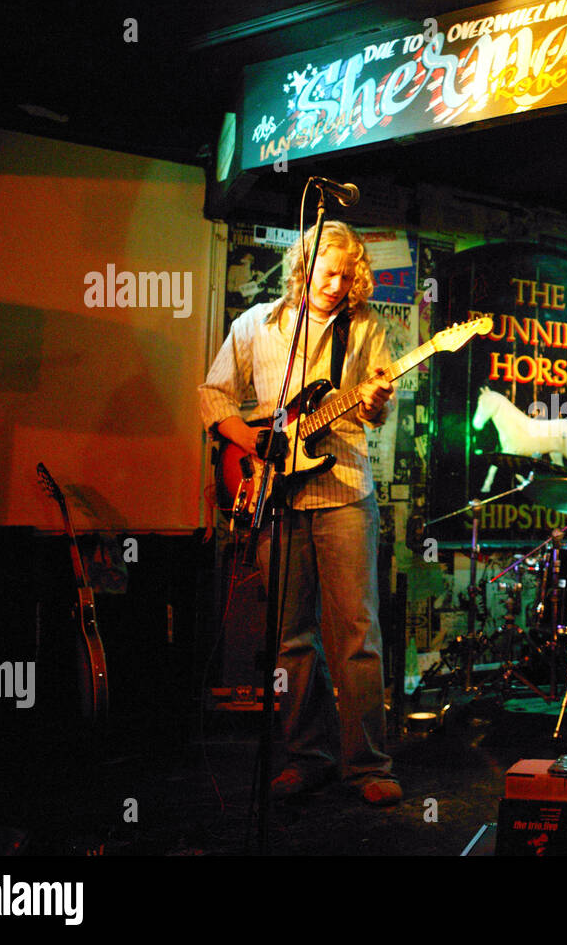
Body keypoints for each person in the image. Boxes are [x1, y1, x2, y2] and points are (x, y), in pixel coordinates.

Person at [199, 221, 401, 806]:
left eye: (347, 275)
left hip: (344, 493)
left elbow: (375, 414)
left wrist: (377, 402)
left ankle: (368, 766)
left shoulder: (364, 328)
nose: (336, 286)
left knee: (357, 634)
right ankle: (307, 757)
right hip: (272, 495)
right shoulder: (255, 325)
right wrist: (253, 440)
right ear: (303, 267)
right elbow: (212, 396)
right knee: (290, 639)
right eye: (327, 273)